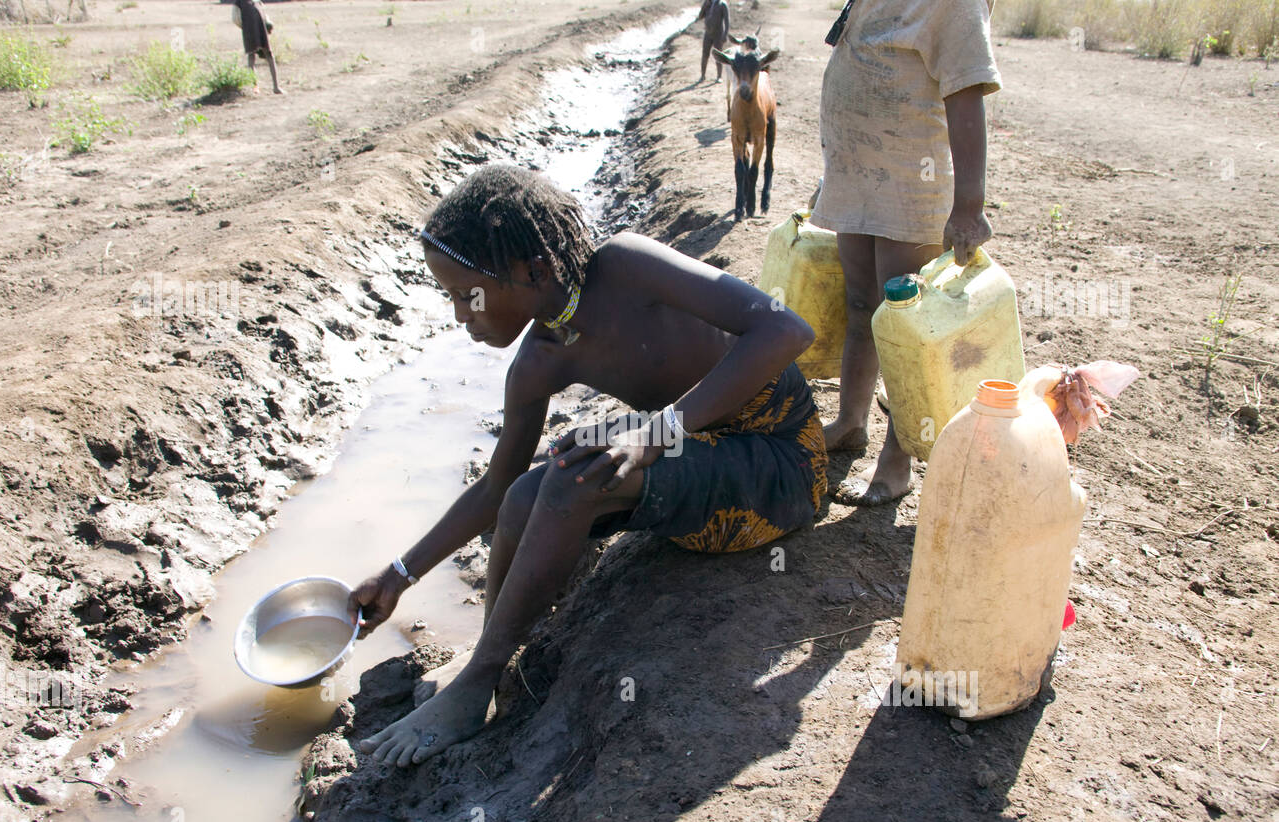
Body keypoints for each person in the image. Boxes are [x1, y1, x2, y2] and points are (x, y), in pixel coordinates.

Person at [349, 165, 828, 767]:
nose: (458, 315)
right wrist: (398, 575)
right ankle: (486, 658)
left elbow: (787, 329)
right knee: (533, 490)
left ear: (533, 271)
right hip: (704, 471)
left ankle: (477, 682)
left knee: (579, 472)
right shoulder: (539, 362)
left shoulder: (626, 268)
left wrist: (658, 432)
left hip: (779, 476)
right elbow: (497, 488)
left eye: (465, 294)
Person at [811, 0, 1000, 504]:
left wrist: (968, 206)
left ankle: (898, 461)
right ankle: (851, 421)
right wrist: (833, 175)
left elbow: (967, 95)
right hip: (858, 181)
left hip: (910, 187)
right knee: (860, 306)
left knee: (904, 324)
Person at [233, 0, 283, 95]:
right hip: (249, 30)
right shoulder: (240, 2)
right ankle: (255, 86)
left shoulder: (257, 1)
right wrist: (245, 27)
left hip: (261, 30)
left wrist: (268, 24)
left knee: (269, 55)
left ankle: (276, 87)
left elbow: (264, 14)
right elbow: (236, 18)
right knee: (251, 56)